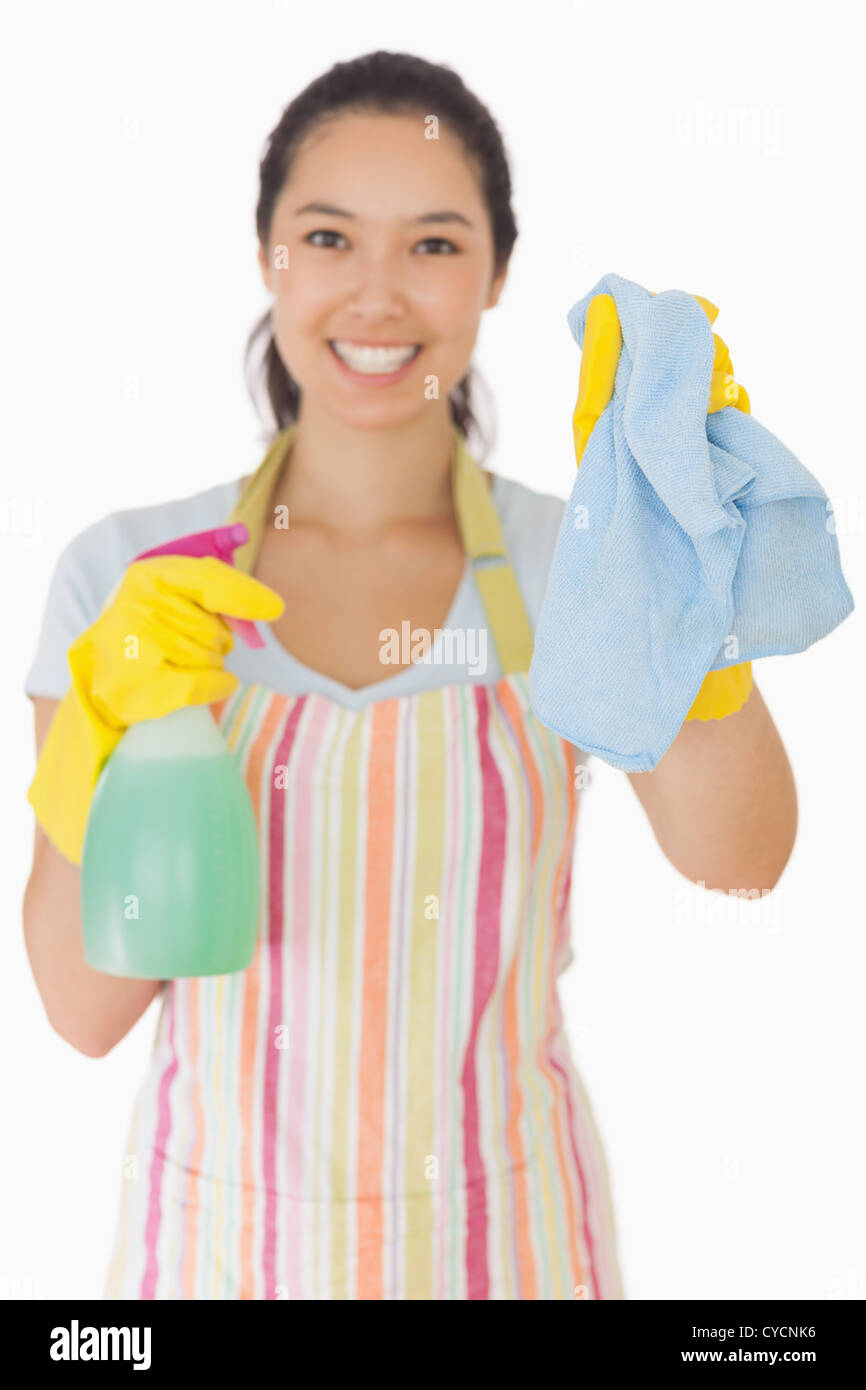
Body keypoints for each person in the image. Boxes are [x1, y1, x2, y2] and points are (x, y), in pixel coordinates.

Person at [22, 50, 797, 1300]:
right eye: (327, 236)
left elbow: (739, 859)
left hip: (508, 1243)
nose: (377, 296)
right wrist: (94, 737)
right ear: (268, 256)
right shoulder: (126, 580)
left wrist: (676, 588)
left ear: (495, 273)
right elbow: (83, 1007)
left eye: (433, 245)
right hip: (219, 1249)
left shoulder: (569, 565)